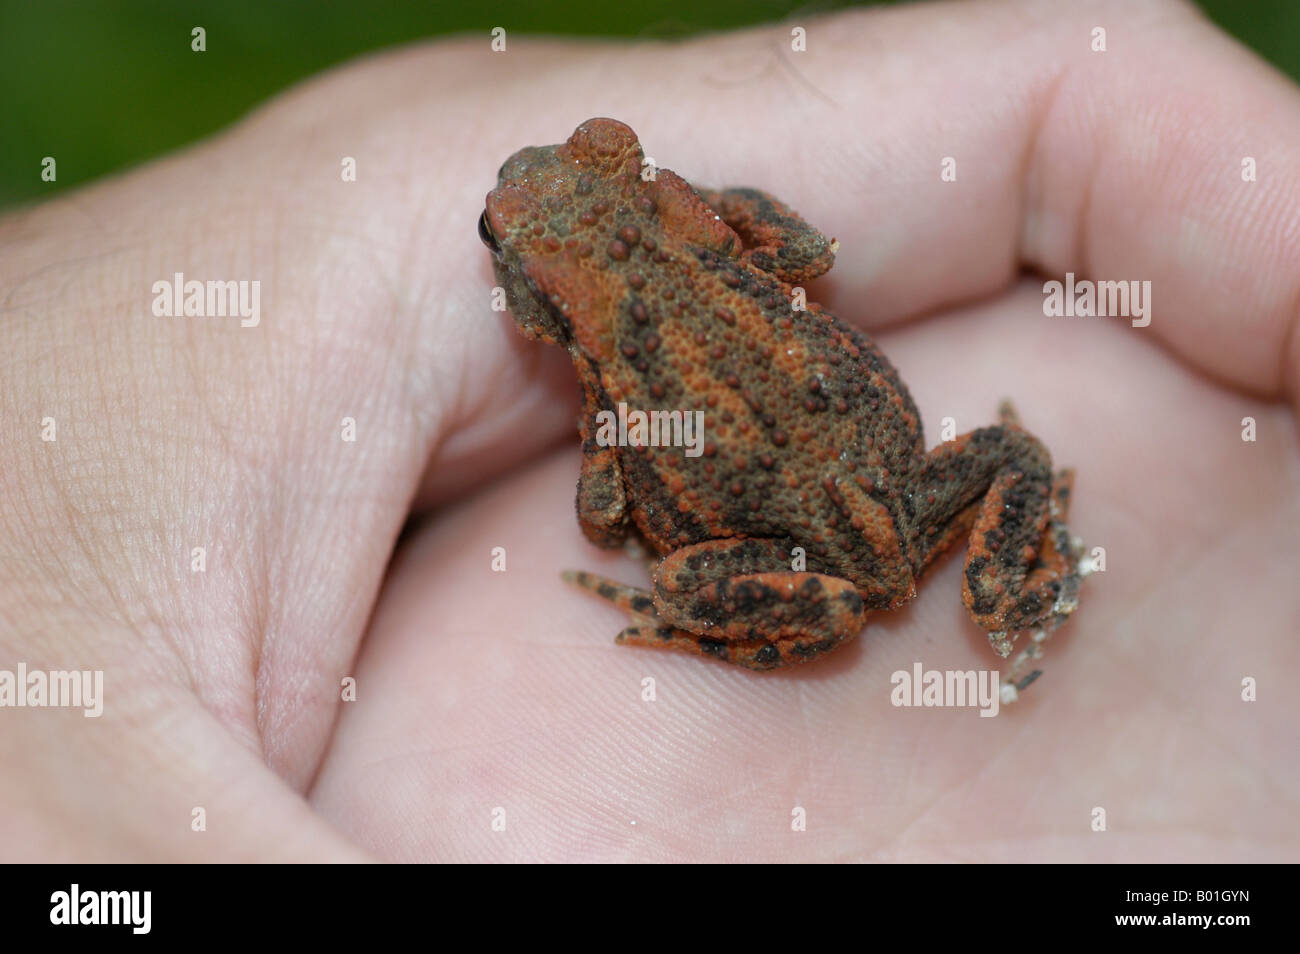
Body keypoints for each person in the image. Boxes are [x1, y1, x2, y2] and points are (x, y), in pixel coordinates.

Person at [2, 0, 1296, 861]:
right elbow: (809, 249)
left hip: (829, 542)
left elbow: (611, 515)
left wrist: (617, 435)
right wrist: (717, 216)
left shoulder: (621, 386)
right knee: (1005, 455)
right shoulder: (712, 261)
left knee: (681, 571)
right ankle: (1024, 590)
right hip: (898, 477)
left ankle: (829, 610)